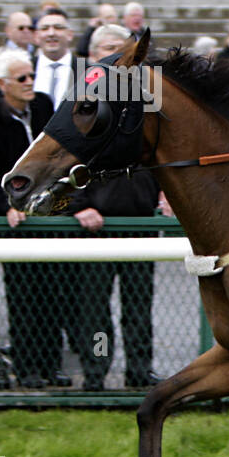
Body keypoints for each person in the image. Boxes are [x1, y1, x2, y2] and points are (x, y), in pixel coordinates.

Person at [60, 27, 164, 390]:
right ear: (92, 58)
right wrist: (78, 206)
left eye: (121, 53)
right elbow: (65, 160)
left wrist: (165, 195)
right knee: (95, 309)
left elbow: (160, 154)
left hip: (140, 223)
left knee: (138, 307)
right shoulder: (81, 103)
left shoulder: (144, 102)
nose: (115, 60)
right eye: (107, 51)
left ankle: (139, 372)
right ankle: (94, 375)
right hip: (97, 226)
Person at [0, 50, 63, 388]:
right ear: (3, 84)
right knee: (23, 299)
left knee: (53, 297)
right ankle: (27, 368)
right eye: (22, 78)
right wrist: (6, 205)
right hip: (17, 226)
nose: (31, 84)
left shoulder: (43, 105)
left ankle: (51, 364)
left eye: (32, 76)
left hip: (48, 217)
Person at [0, 11, 37, 99]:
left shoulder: (40, 54)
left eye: (30, 28)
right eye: (21, 28)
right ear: (8, 31)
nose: (26, 31)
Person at [32, 8, 75, 108]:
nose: (51, 33)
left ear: (70, 34)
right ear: (36, 36)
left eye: (58, 27)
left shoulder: (87, 70)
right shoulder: (26, 70)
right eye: (45, 28)